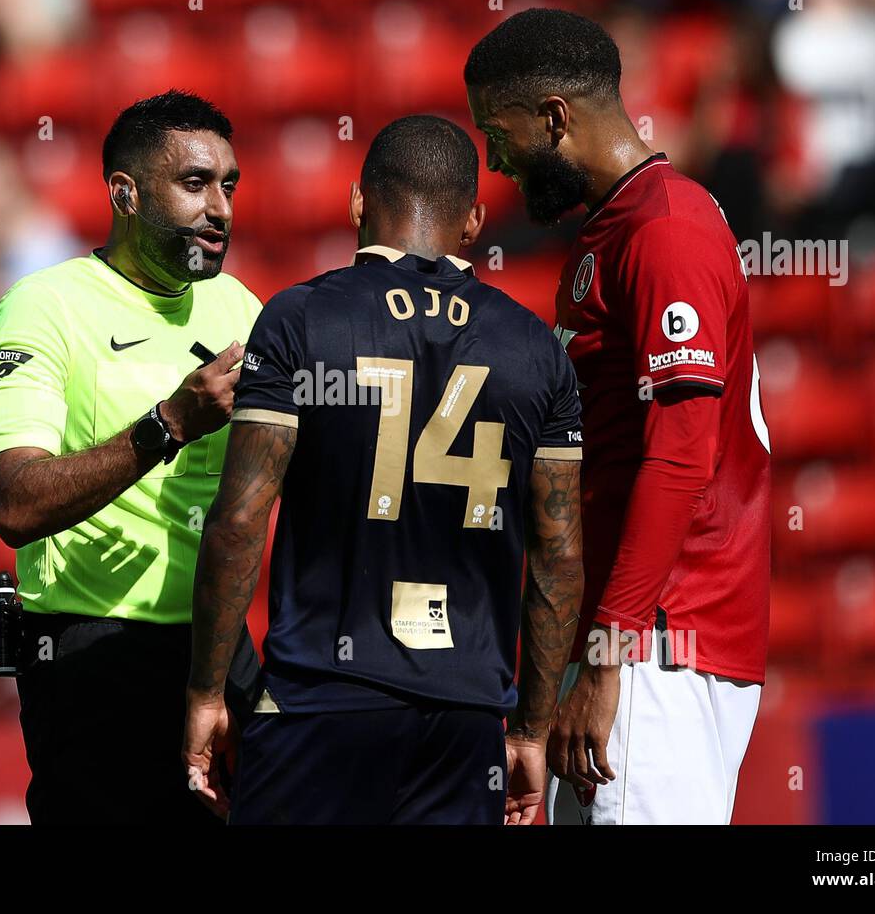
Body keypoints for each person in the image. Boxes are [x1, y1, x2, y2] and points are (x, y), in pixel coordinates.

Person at [182, 115, 586, 825]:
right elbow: (558, 554)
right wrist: (529, 726)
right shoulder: (536, 347)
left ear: (358, 203)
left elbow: (242, 517)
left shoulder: (301, 320)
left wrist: (208, 692)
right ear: (473, 222)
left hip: (322, 697)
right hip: (465, 713)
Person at [465, 8, 771, 825]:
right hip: (619, 643)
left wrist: (607, 656)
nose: (496, 162)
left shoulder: (667, 228)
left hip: (657, 649)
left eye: (500, 135)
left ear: (556, 117)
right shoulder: (614, 229)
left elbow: (680, 457)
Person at [0, 90, 261, 825]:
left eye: (229, 184)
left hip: (222, 649)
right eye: (194, 184)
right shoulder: (46, 307)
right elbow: (14, 503)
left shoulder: (244, 308)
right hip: (95, 658)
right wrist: (166, 426)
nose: (220, 207)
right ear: (125, 192)